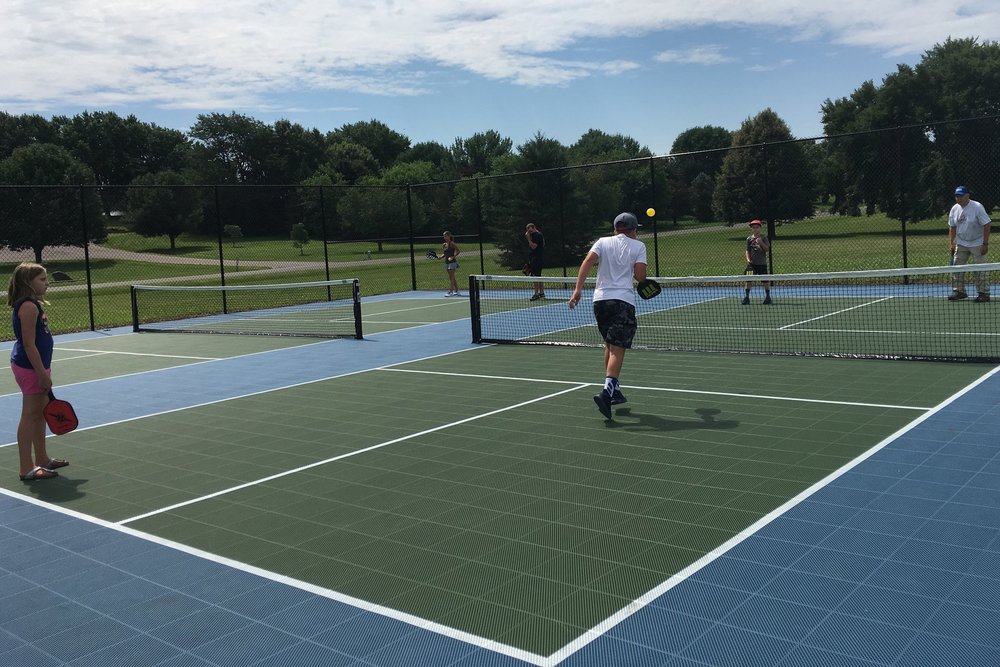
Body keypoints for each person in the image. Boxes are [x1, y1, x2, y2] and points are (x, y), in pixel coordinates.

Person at [568, 212, 647, 419]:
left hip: (600, 301)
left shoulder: (601, 242)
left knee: (609, 345)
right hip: (622, 301)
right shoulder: (639, 247)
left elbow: (586, 262)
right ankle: (606, 394)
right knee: (618, 349)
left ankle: (614, 391)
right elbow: (640, 276)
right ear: (633, 230)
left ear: (615, 229)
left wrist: (577, 290)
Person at [8, 262, 68, 481]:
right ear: (28, 282)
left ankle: (42, 459)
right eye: (42, 279)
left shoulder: (33, 304)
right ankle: (26, 467)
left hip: (38, 367)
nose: (47, 283)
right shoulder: (28, 307)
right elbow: (28, 344)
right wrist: (42, 373)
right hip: (31, 368)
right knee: (30, 415)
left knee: (40, 414)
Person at [948, 185, 991, 302]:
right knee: (957, 267)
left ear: (968, 196)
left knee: (980, 269)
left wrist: (985, 243)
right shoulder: (954, 209)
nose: (959, 198)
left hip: (977, 242)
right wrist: (951, 243)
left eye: (961, 196)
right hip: (961, 243)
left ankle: (983, 293)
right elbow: (952, 227)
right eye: (957, 196)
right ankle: (959, 291)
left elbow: (986, 224)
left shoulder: (977, 207)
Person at [742, 219, 772, 305]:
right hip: (752, 265)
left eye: (757, 227)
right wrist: (748, 260)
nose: (755, 229)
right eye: (753, 227)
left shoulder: (764, 237)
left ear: (760, 228)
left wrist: (761, 242)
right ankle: (746, 297)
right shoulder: (749, 239)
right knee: (748, 280)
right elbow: (747, 250)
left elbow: (766, 249)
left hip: (761, 264)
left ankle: (768, 297)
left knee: (765, 281)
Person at [524, 223, 546, 300]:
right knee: (538, 275)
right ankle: (541, 293)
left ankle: (536, 293)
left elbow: (533, 247)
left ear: (533, 228)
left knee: (535, 276)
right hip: (533, 258)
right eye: (527, 231)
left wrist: (528, 239)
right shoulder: (535, 235)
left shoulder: (537, 235)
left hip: (537, 258)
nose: (528, 232)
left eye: (530, 230)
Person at [437, 231, 462, 297]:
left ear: (449, 236)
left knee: (451, 277)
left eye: (445, 236)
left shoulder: (452, 243)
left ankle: (450, 292)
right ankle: (457, 290)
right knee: (451, 277)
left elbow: (458, 251)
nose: (444, 237)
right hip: (446, 262)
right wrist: (440, 257)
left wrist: (453, 257)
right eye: (444, 236)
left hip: (452, 262)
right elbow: (445, 254)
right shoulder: (444, 245)